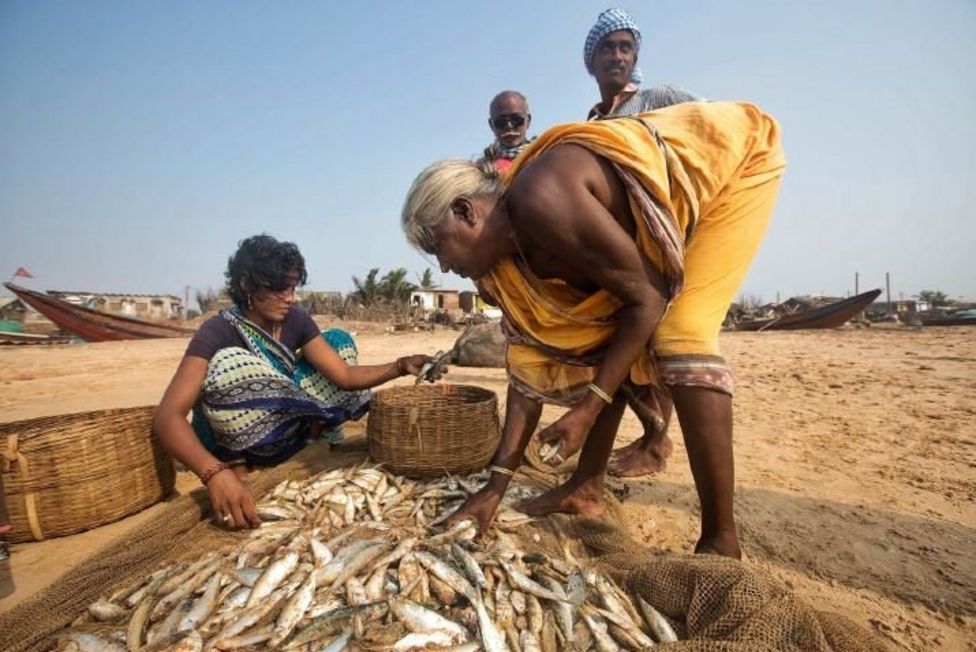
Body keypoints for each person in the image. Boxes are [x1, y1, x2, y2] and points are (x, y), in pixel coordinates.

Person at [401, 101, 785, 558]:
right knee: (605, 343)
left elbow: (647, 298)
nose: (444, 265)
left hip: (730, 164)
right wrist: (495, 487)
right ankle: (585, 488)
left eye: (438, 246)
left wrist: (588, 408)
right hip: (647, 258)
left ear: (466, 211)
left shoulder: (542, 198)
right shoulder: (501, 265)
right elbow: (528, 365)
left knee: (678, 335)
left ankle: (721, 539)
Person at [153, 234, 436, 529]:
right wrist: (213, 473)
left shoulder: (295, 320)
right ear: (246, 285)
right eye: (278, 288)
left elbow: (343, 375)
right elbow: (167, 417)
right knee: (228, 365)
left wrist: (401, 366)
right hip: (234, 438)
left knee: (338, 341)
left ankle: (300, 436)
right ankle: (241, 462)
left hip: (281, 424)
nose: (289, 297)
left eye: (292, 287)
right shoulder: (218, 331)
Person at [584, 8, 701, 120]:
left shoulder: (661, 99)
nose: (617, 57)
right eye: (606, 49)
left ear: (634, 61)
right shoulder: (589, 130)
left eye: (625, 48)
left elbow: (715, 118)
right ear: (592, 63)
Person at [480, 91, 533, 172]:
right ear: (491, 125)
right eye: (501, 122)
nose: (509, 126)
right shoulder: (481, 169)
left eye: (516, 120)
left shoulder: (544, 157)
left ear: (528, 121)